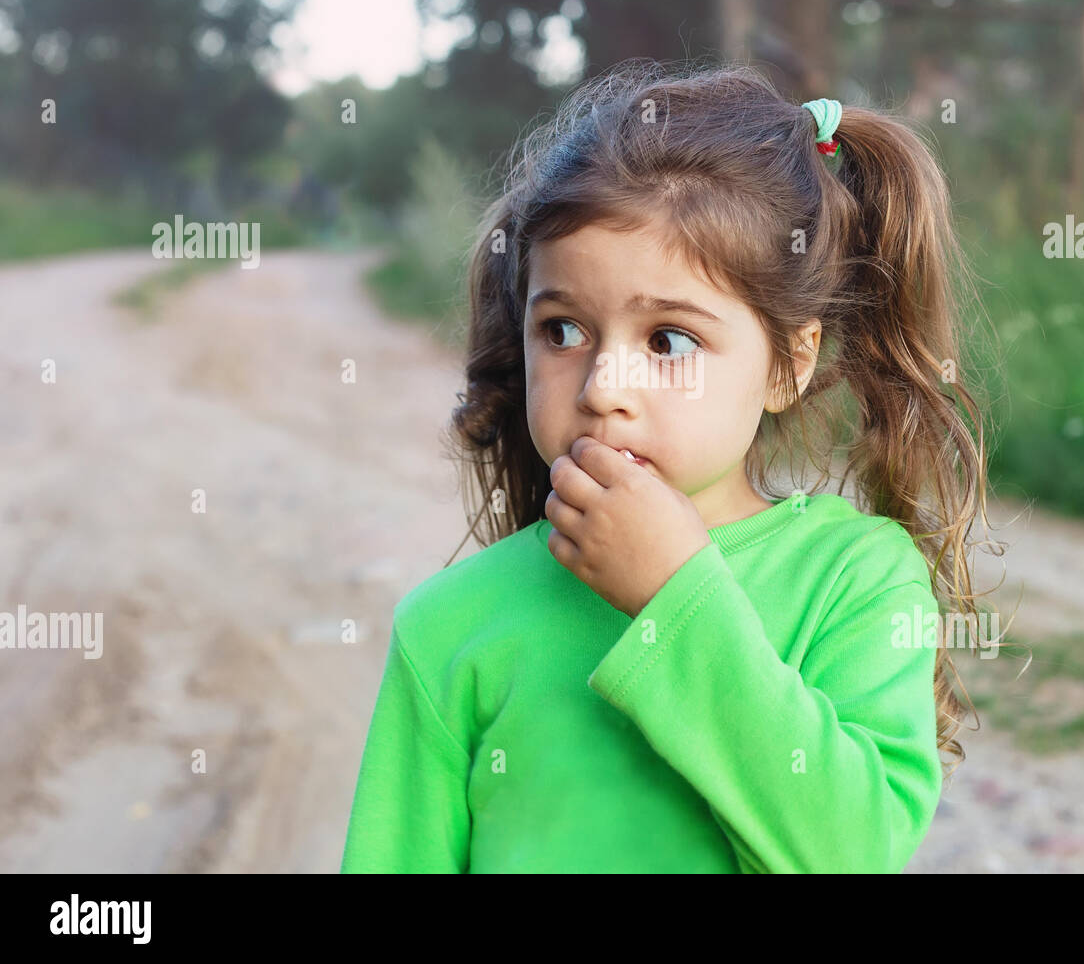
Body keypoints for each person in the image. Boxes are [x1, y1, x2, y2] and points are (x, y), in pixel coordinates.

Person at [340, 58, 1001, 874]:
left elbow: (850, 851)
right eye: (563, 331)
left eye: (670, 341)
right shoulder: (448, 625)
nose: (603, 388)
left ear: (789, 365)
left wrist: (674, 596)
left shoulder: (854, 581)